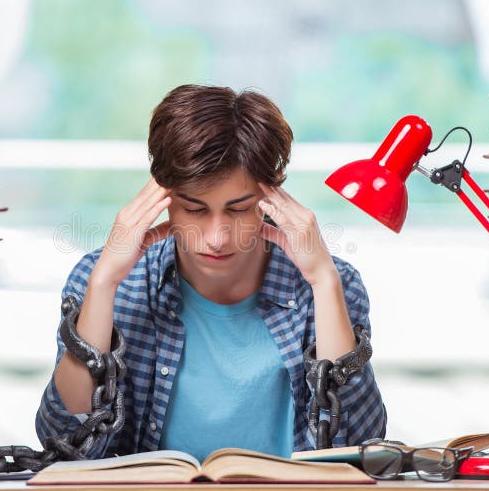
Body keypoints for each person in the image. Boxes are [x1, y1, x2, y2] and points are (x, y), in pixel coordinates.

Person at [36, 84, 386, 461]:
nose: (217, 238)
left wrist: (323, 281)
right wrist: (104, 284)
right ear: (162, 198)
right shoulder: (104, 279)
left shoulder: (331, 285)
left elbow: (357, 448)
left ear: (271, 200)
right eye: (194, 209)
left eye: (238, 209)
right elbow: (63, 442)